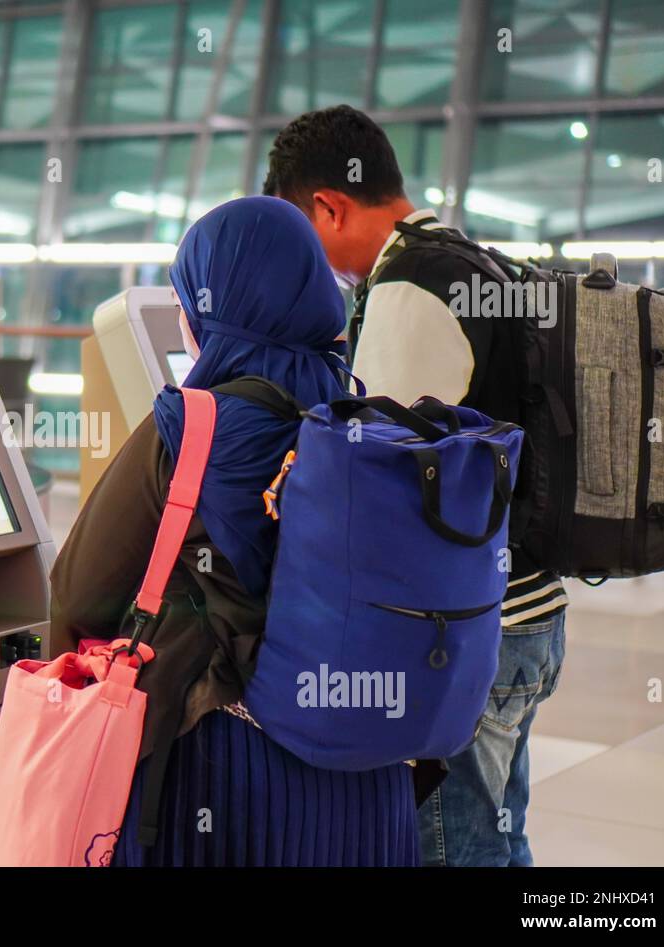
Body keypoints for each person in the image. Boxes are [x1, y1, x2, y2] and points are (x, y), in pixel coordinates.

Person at [50, 195, 420, 866]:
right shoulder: (367, 422)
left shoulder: (190, 427)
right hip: (374, 783)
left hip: (230, 780)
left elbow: (79, 595)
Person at [263, 104, 567, 867]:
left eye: (307, 237)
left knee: (448, 855)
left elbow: (371, 478)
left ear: (329, 206)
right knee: (496, 839)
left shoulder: (408, 287)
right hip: (529, 611)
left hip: (469, 635)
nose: (319, 267)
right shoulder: (472, 260)